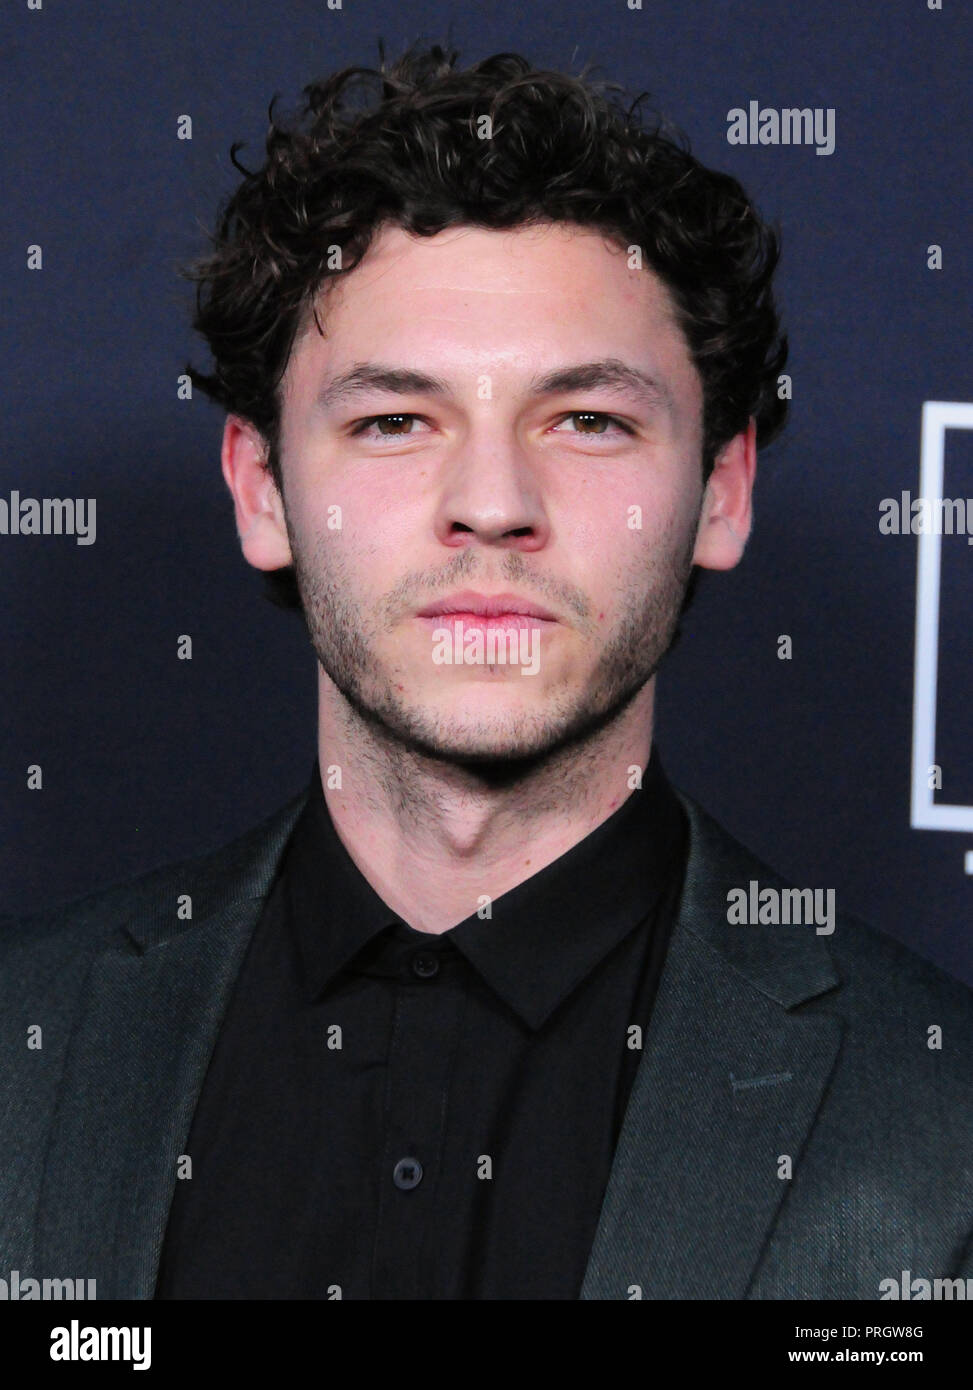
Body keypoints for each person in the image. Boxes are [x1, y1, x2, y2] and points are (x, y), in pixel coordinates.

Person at [3, 43, 971, 1302]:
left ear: (722, 490)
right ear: (262, 492)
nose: (494, 502)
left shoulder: (936, 1126)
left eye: (588, 420)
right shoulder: (28, 1044)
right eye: (394, 421)